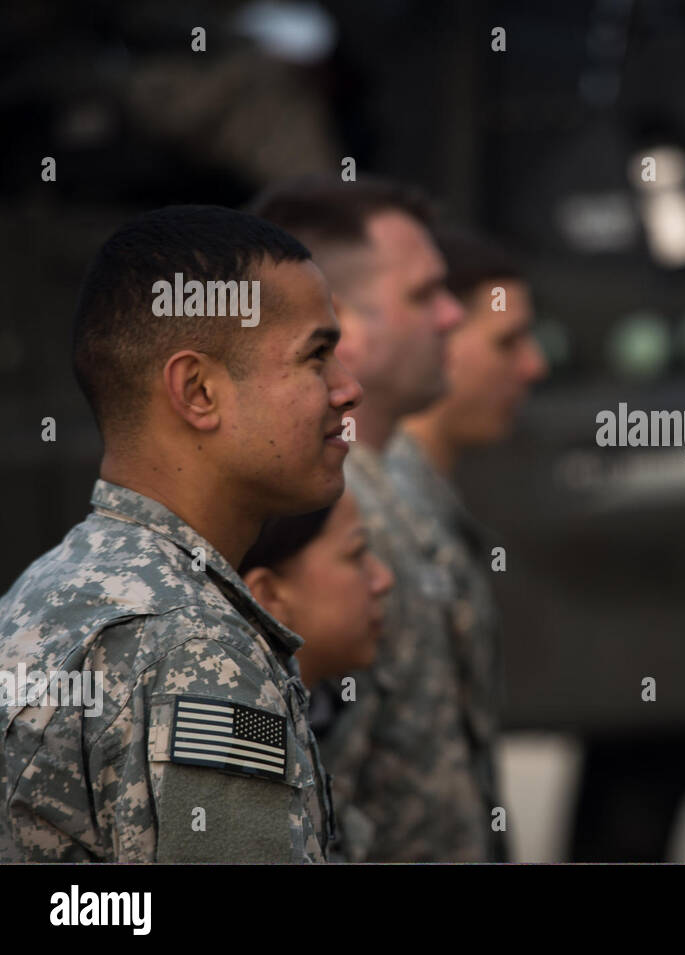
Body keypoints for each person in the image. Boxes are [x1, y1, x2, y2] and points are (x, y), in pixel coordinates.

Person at [0, 205, 362, 862]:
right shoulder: (191, 640)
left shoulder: (50, 587)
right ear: (198, 390)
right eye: (317, 356)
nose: (348, 388)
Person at [251, 177, 504, 862]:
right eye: (423, 295)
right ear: (339, 326)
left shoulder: (397, 490)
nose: (453, 316)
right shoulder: (306, 520)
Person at [388, 229, 548, 859]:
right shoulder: (366, 520)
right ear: (436, 336)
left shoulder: (424, 507)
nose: (534, 364)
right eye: (507, 341)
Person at [239, 491, 395, 861]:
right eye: (356, 554)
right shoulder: (250, 742)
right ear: (269, 596)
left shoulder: (336, 709)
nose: (383, 579)